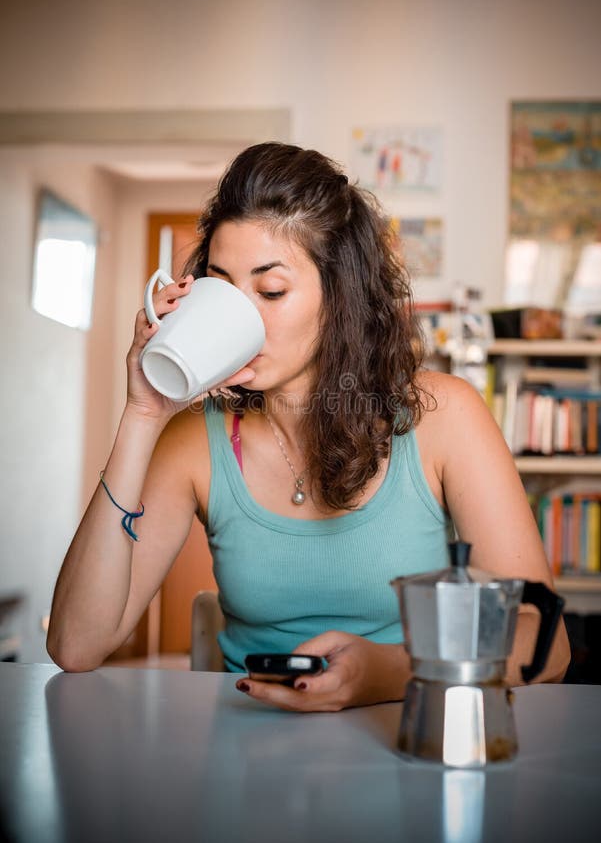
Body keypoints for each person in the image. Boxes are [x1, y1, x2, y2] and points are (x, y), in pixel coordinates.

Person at [47, 142, 570, 711]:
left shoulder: (444, 417)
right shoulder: (196, 440)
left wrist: (387, 673)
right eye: (222, 286)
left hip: (406, 745)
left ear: (339, 298)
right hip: (246, 760)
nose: (241, 314)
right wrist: (143, 413)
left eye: (270, 291)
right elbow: (77, 645)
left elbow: (546, 645)